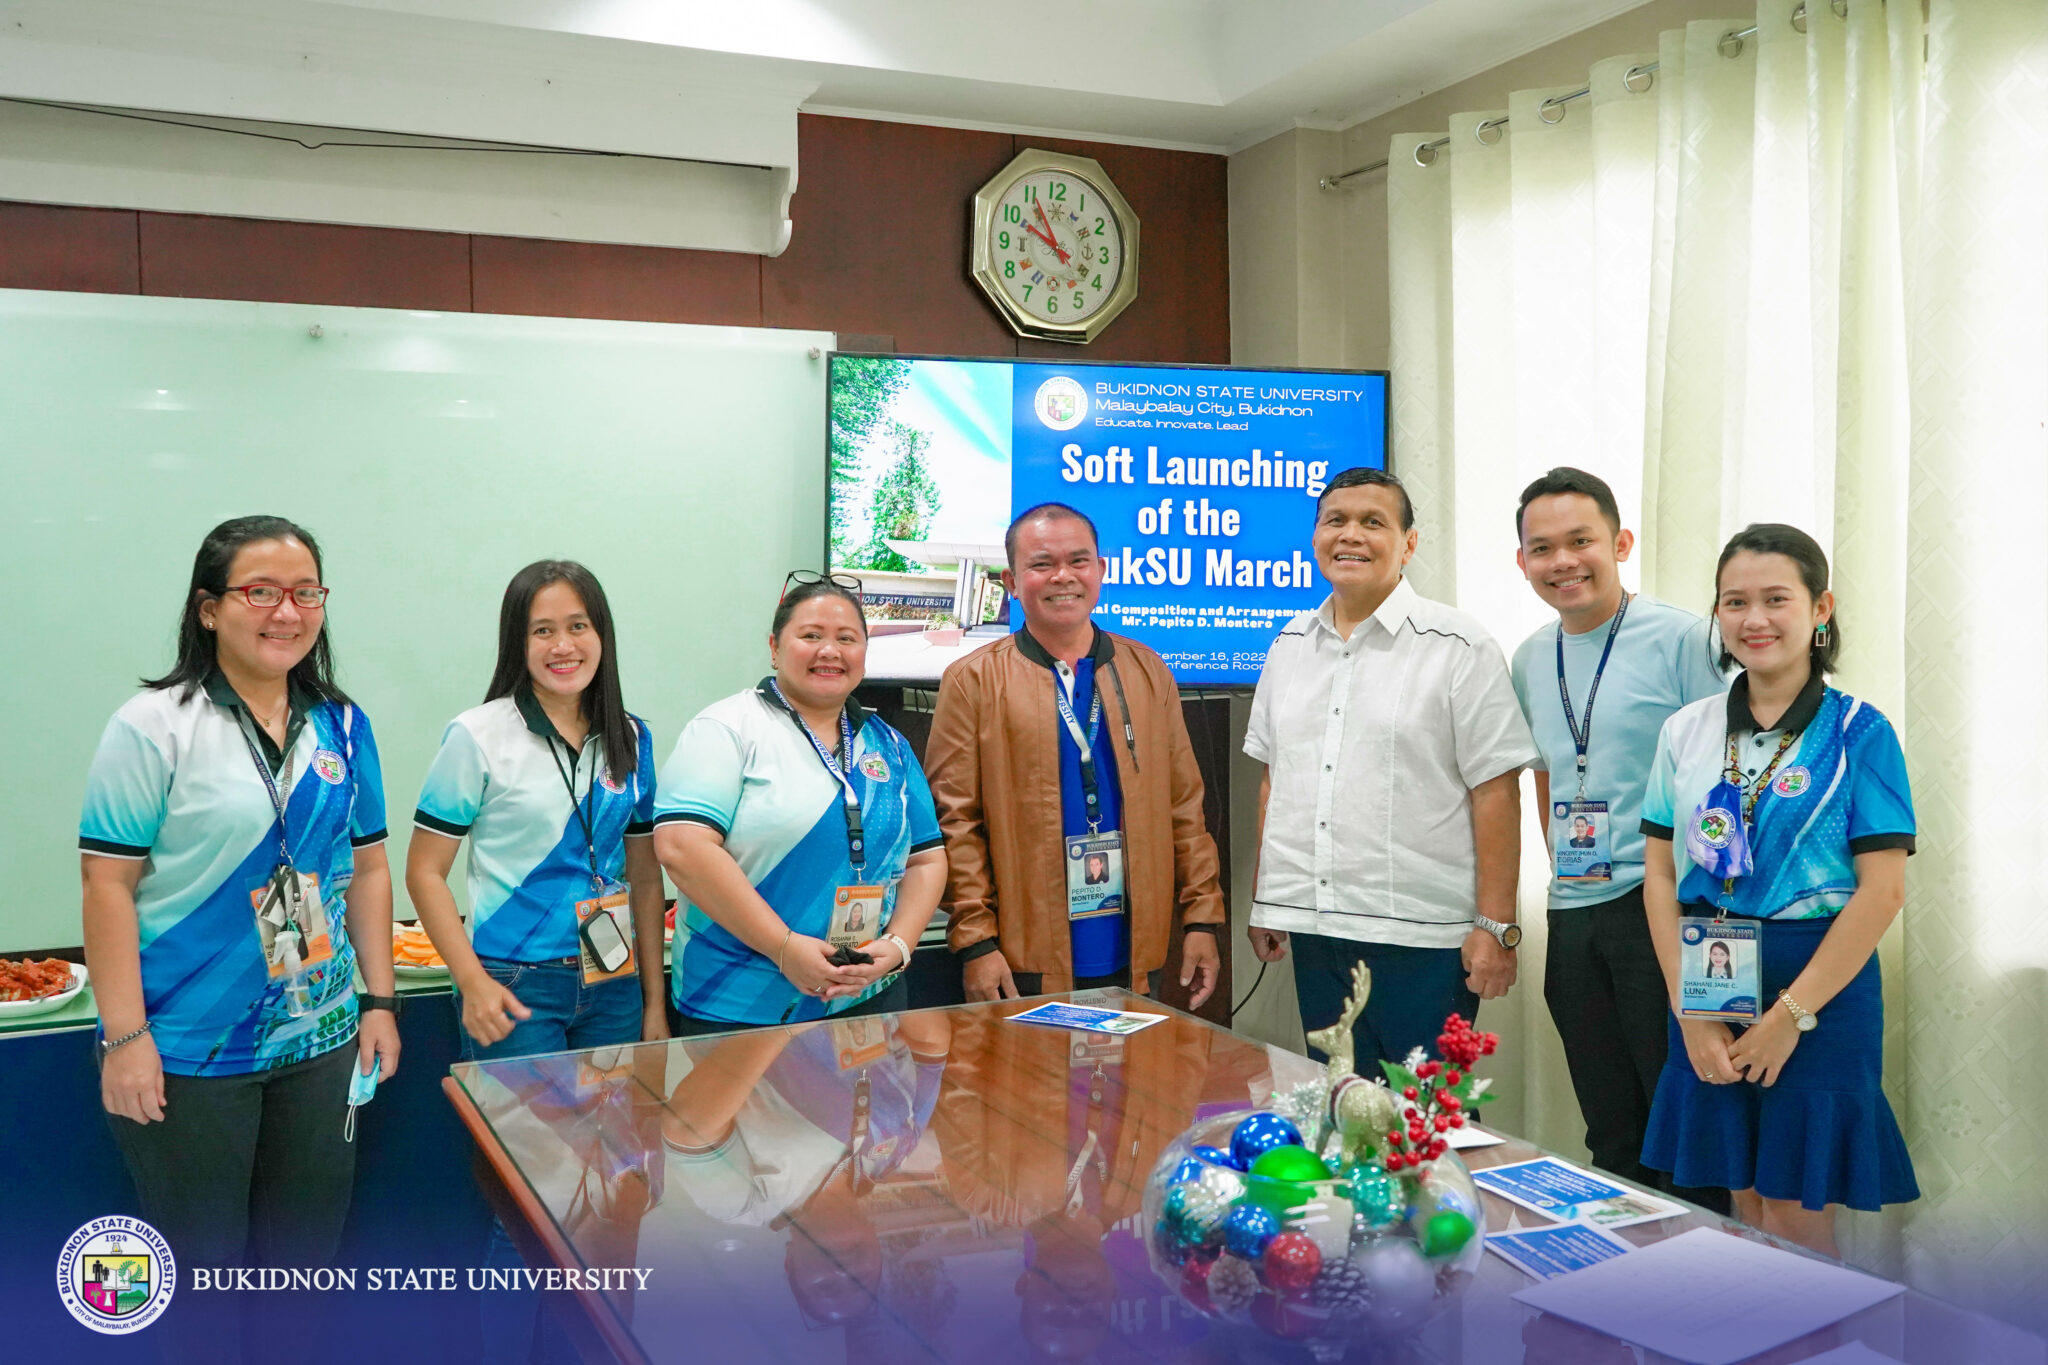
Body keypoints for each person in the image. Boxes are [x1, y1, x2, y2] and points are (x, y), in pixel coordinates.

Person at [79, 515, 397, 1362]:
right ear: (211, 608)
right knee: (200, 1281)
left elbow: (368, 871)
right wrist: (125, 1035)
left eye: (305, 592)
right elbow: (107, 885)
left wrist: (379, 999)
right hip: (188, 1051)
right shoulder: (154, 724)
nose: (286, 612)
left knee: (304, 1272)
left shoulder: (344, 724)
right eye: (260, 591)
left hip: (321, 1041)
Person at [1640, 524, 1918, 1255]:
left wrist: (1791, 1014)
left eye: (1775, 599)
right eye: (1735, 602)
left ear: (1820, 608)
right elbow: (1661, 874)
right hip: (1708, 971)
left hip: (1820, 983)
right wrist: (1690, 1010)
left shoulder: (1862, 732)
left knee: (1796, 1212)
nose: (1754, 619)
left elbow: (1882, 891)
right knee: (1743, 1200)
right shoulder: (1686, 731)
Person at [1247, 468, 1536, 1067]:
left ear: (1408, 543)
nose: (1351, 535)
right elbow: (1277, 779)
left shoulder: (1457, 645)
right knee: (1338, 1103)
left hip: (1423, 940)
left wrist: (1497, 926)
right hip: (1315, 929)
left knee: (1426, 1119)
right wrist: (1267, 901)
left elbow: (1496, 791)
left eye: (1372, 522)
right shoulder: (1288, 646)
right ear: (1315, 538)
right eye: (1336, 521)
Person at [1507, 467, 1730, 1210]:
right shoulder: (1531, 655)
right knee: (1610, 1130)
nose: (1563, 561)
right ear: (1522, 562)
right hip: (1574, 909)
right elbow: (1544, 771)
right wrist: (1561, 869)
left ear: (1620, 542)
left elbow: (1723, 773)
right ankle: (1623, 1288)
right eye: (1543, 548)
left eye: (1581, 541)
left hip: (1660, 905)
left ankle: (1697, 1303)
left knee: (1686, 1133)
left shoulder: (1683, 638)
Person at [926, 503, 1224, 1005]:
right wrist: (975, 942)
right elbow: (955, 822)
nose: (1063, 576)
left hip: (1137, 953)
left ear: (1101, 570)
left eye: (1078, 560)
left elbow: (1184, 808)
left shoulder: (1148, 672)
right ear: (1012, 582)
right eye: (1041, 564)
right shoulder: (973, 681)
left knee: (1135, 1082)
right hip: (1023, 960)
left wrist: (1201, 917)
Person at [654, 573, 945, 1032]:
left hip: (867, 996)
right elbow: (682, 848)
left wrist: (899, 947)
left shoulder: (889, 745)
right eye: (811, 636)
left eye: (846, 638)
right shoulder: (727, 728)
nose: (830, 650)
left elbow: (927, 859)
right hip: (738, 1002)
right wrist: (784, 947)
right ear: (774, 646)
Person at [409, 560, 668, 1059]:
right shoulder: (476, 736)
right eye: (542, 631)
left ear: (601, 635)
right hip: (512, 980)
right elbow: (423, 872)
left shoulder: (631, 737)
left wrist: (652, 1001)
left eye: (578, 627)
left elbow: (647, 876)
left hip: (615, 980)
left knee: (607, 1135)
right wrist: (472, 981)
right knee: (524, 1139)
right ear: (518, 643)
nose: (563, 646)